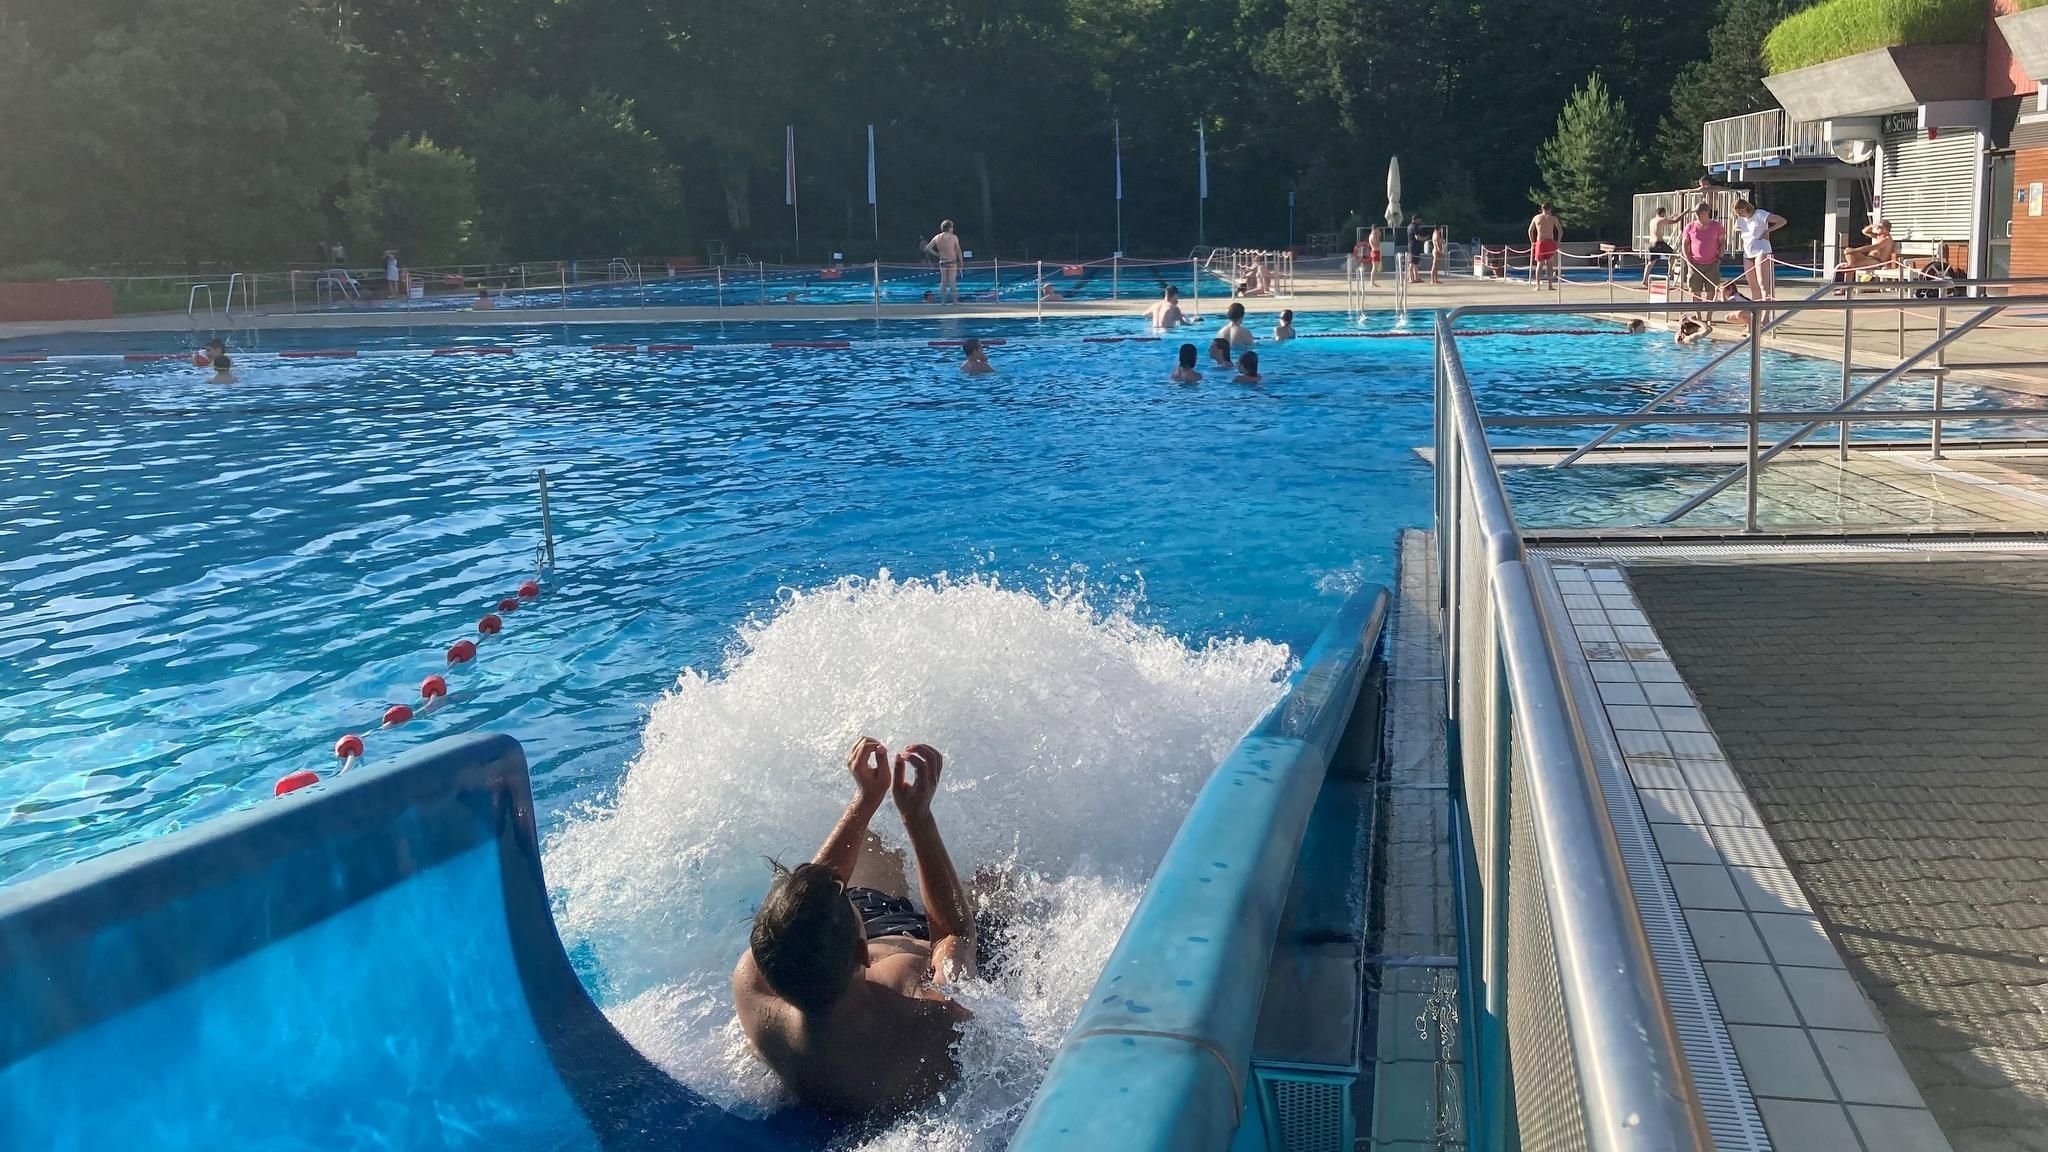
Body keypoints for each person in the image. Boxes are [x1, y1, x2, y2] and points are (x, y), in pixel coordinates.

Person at [733, 739, 976, 1117]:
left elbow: (808, 903)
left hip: (866, 932)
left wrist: (864, 801)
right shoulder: (933, 1018)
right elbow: (954, 934)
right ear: (861, 952)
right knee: (995, 883)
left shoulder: (758, 1000)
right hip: (916, 936)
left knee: (874, 846)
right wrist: (918, 819)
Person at [1731, 199, 1787, 306]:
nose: (1739, 215)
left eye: (1740, 212)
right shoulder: (1740, 220)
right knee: (1753, 286)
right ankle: (1756, 312)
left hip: (1762, 250)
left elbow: (1782, 221)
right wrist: (1738, 229)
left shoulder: (1760, 214)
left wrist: (1768, 231)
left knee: (1763, 284)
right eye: (1737, 213)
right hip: (1748, 252)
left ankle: (1766, 314)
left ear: (1745, 208)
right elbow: (1735, 228)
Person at [1680, 203, 1726, 305]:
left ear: (1707, 212)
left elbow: (1722, 242)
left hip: (1712, 263)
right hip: (1694, 263)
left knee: (1712, 291)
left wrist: (1719, 257)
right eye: (1696, 213)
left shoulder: (1717, 226)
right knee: (1695, 291)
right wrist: (1687, 260)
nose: (1697, 215)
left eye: (1700, 213)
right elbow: (1684, 243)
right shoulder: (1690, 226)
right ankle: (1698, 315)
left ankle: (1709, 317)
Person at [923, 221, 963, 304]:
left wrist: (937, 254)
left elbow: (927, 248)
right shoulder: (953, 237)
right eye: (952, 227)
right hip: (952, 262)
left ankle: (943, 301)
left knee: (943, 281)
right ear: (949, 228)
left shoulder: (937, 237)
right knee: (952, 281)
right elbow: (958, 250)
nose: (953, 229)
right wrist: (961, 262)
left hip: (943, 261)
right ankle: (955, 301)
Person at [1528, 204, 1562, 292]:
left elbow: (1530, 230)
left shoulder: (1537, 217)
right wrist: (1558, 241)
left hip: (1543, 242)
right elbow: (1560, 230)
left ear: (1541, 208)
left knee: (1542, 264)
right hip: (1547, 242)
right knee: (1547, 264)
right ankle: (1547, 285)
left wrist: (1532, 242)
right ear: (1550, 209)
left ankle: (1540, 285)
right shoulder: (1552, 218)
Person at [1643, 206, 1676, 288]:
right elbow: (1675, 221)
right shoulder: (1662, 220)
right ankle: (1670, 272)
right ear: (1663, 213)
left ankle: (1644, 279)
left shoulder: (1652, 220)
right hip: (1659, 243)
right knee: (1673, 254)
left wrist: (1670, 217)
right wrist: (1685, 212)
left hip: (1651, 243)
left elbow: (1664, 220)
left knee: (1650, 263)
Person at [1406, 217, 1426, 283]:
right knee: (1412, 262)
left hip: (1412, 246)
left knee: (1415, 263)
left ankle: (1416, 277)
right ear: (1416, 219)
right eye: (1419, 219)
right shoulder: (1414, 226)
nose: (1420, 220)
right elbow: (1417, 237)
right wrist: (1425, 238)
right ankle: (1411, 278)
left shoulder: (1409, 226)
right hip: (1414, 246)